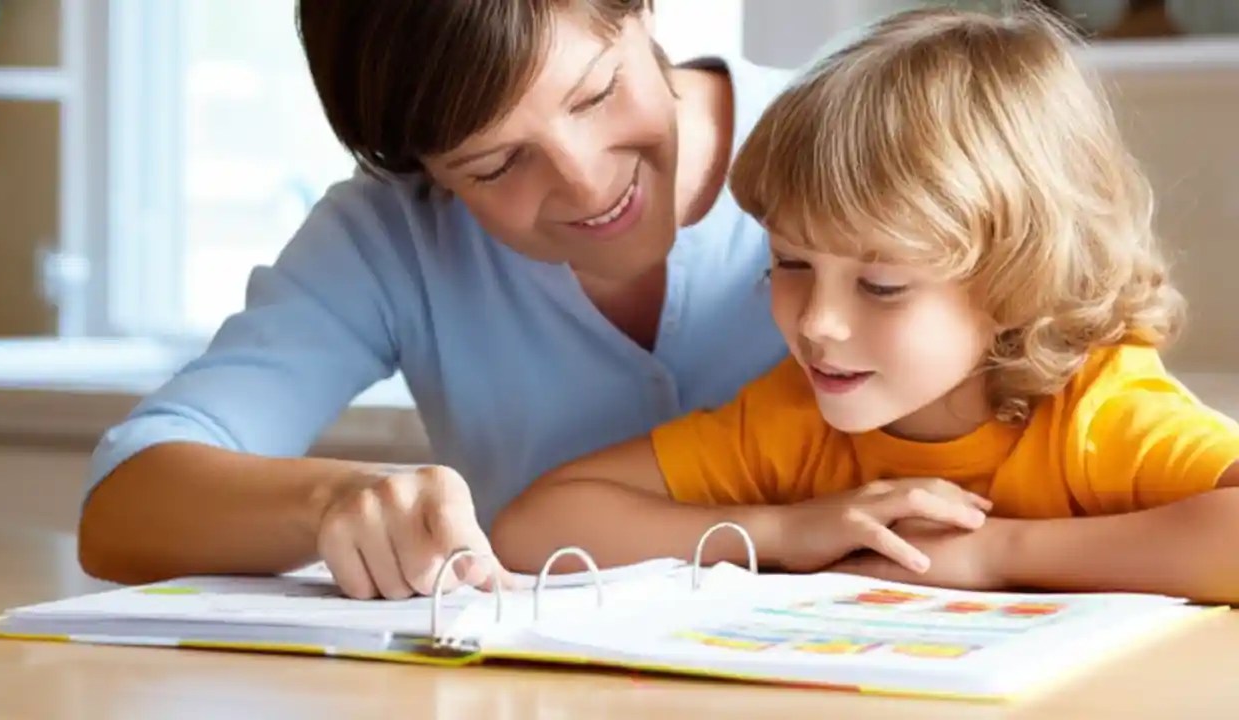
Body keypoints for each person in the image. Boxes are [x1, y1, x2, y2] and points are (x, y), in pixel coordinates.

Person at [80, 0, 986, 601]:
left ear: (642, 10)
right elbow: (125, 503)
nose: (588, 183)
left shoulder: (873, 149)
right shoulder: (393, 236)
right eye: (496, 163)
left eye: (598, 93)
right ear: (424, 173)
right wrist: (331, 502)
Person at [492, 5, 1239, 603]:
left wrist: (994, 553)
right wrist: (786, 533)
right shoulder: (792, 420)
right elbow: (534, 528)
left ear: (1019, 280)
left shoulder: (1093, 412)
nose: (817, 323)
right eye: (790, 263)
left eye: (882, 286)